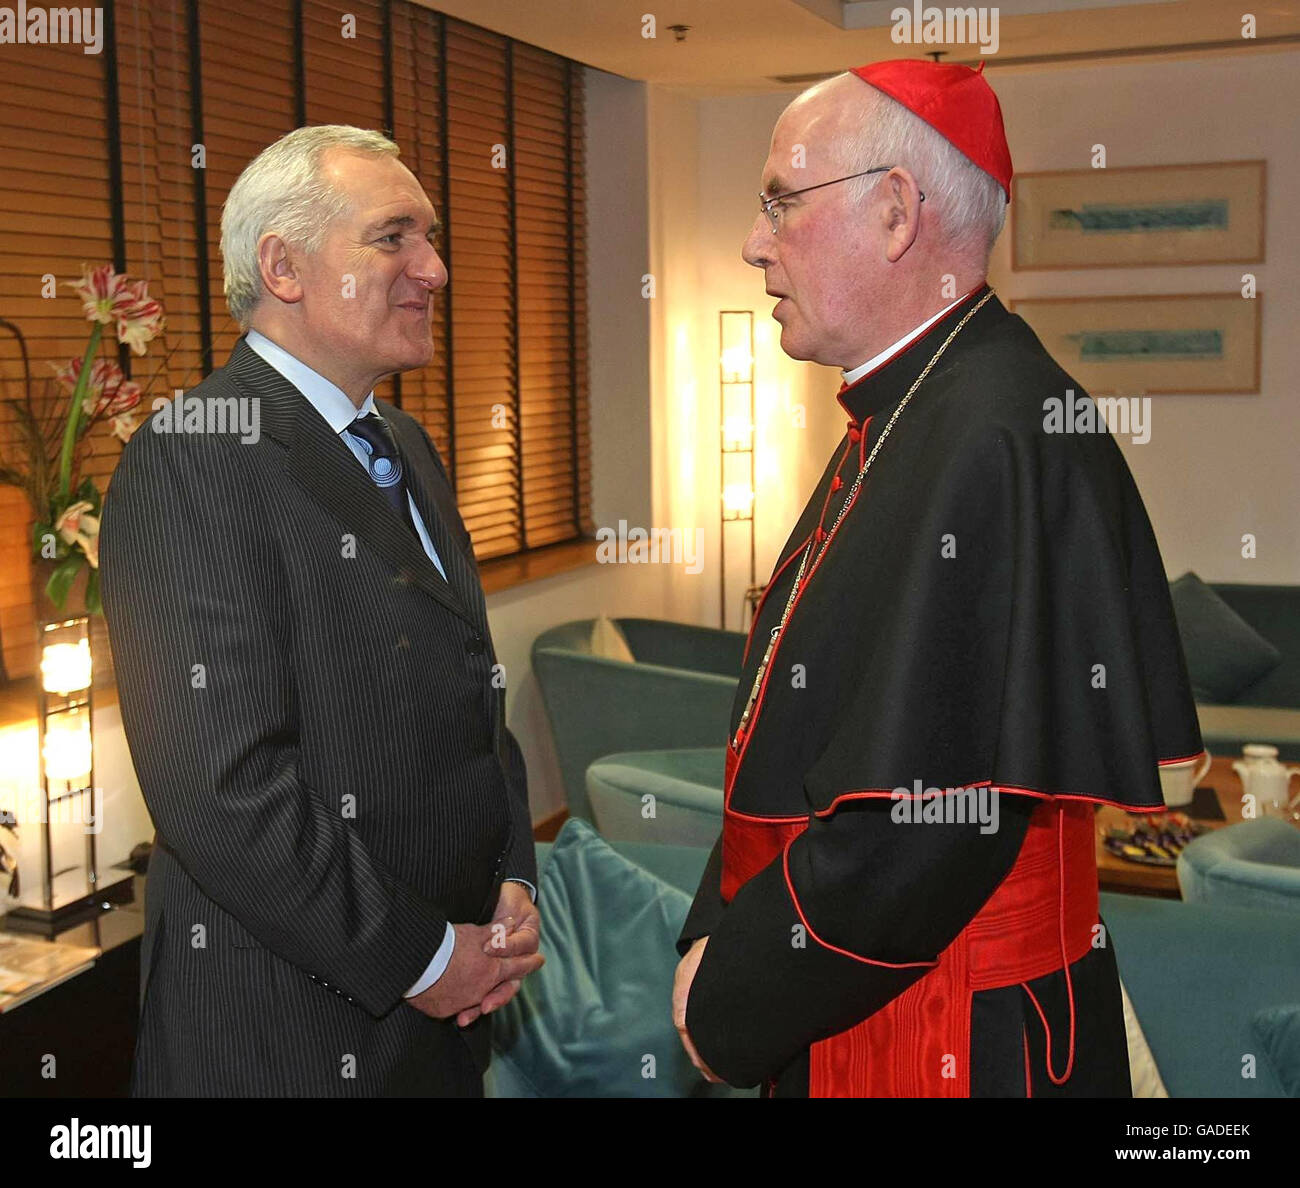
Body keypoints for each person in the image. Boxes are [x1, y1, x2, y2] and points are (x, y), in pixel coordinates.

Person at [671, 60, 1203, 1098]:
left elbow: (916, 838)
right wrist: (720, 935)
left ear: (894, 211)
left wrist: (729, 995)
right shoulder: (908, 409)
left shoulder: (994, 432)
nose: (751, 241)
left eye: (781, 199)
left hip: (962, 1038)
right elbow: (788, 746)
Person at [101, 125, 543, 1096]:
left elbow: (474, 698)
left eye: (429, 237)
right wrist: (422, 958)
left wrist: (513, 875)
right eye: (394, 237)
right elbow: (224, 788)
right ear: (283, 267)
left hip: (443, 1016)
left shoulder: (408, 445)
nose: (432, 268)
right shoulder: (191, 458)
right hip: (289, 1034)